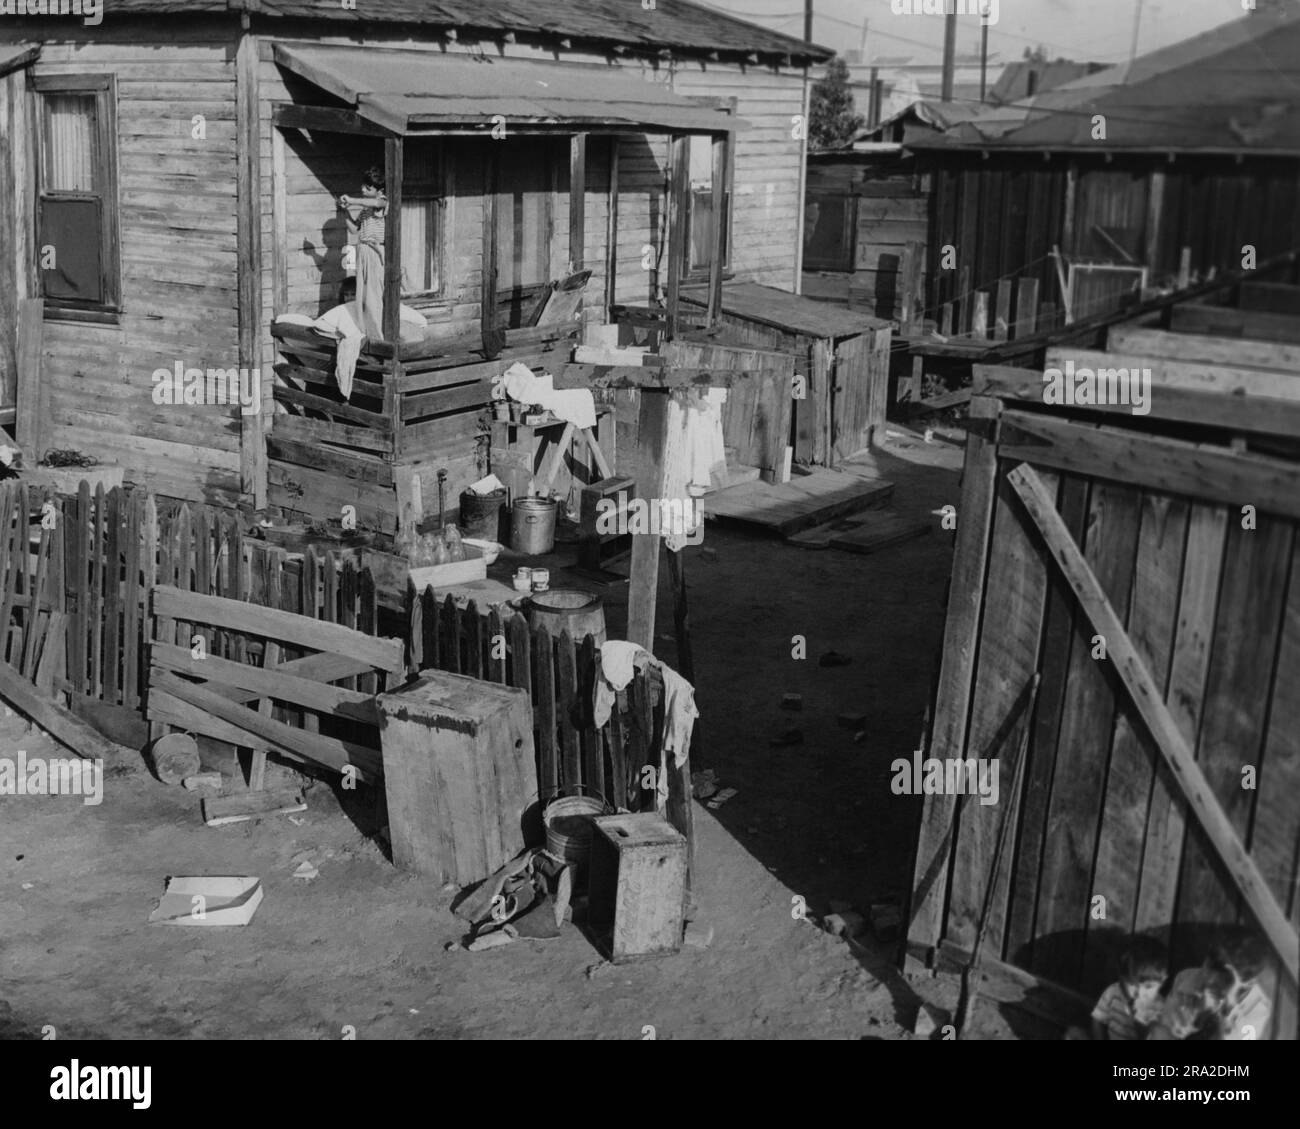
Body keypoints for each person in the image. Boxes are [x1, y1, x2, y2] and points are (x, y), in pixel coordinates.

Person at [1151, 929, 1272, 1041]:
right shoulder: (1188, 977)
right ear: (1207, 962)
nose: (1205, 986)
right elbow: (1162, 1031)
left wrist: (1211, 1019)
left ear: (1248, 984)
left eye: (1218, 987)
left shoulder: (1256, 1011)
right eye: (1206, 969)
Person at [338, 166, 388, 341]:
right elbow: (353, 229)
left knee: (374, 296)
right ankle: (364, 333)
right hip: (363, 250)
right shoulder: (365, 210)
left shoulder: (382, 202)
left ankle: (378, 338)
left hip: (375, 251)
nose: (363, 190)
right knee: (362, 295)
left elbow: (375, 203)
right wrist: (344, 210)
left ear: (379, 190)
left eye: (368, 188)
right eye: (363, 186)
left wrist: (351, 200)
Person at [1090, 935, 1168, 1040]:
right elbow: (1098, 1019)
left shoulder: (1160, 1008)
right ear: (1122, 978)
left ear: (1161, 981)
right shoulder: (1113, 992)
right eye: (1132, 984)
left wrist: (1140, 1017)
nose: (1140, 993)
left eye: (1148, 987)